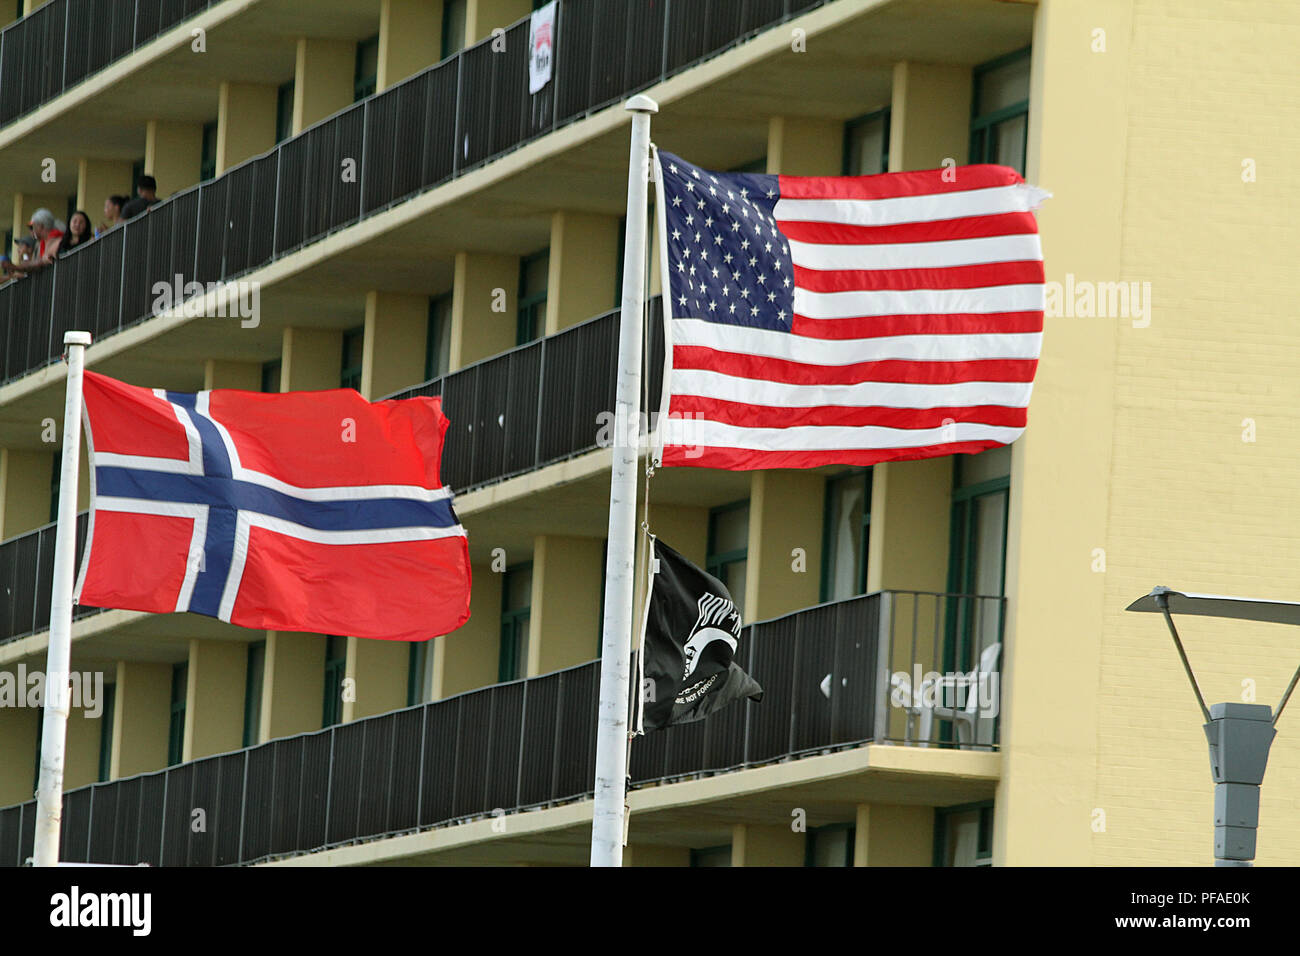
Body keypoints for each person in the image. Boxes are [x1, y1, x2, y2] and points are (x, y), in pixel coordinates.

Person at [1, 209, 62, 276]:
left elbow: (39, 263)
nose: (32, 230)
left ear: (40, 226)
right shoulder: (42, 242)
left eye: (33, 227)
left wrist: (15, 267)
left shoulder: (54, 239)